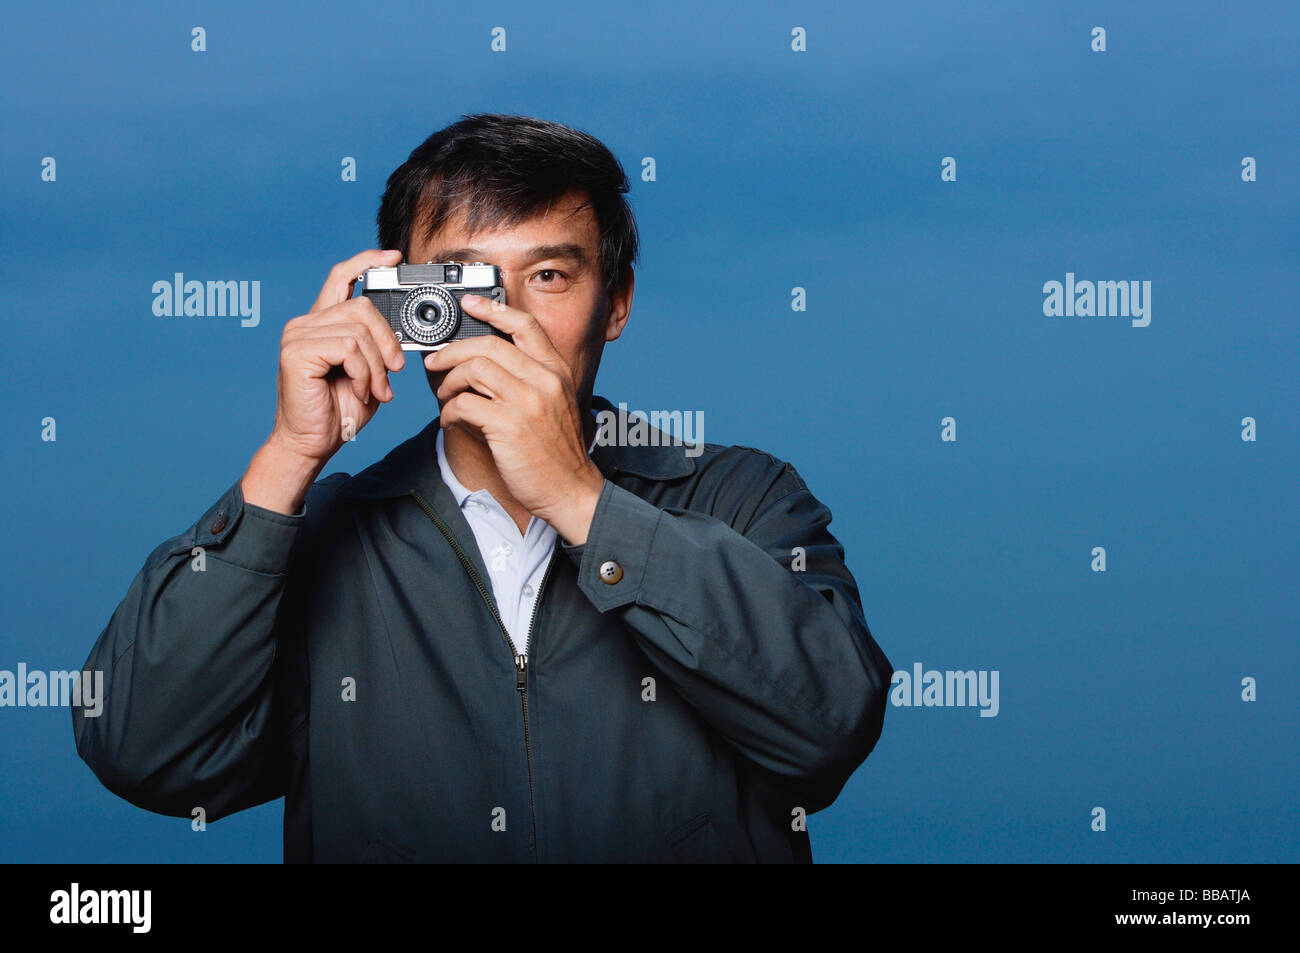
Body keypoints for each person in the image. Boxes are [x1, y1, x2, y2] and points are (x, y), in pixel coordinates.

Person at [73, 113, 893, 863]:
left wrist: (581, 500)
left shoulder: (746, 498)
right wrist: (288, 456)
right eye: (462, 279)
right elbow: (141, 748)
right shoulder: (322, 540)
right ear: (399, 306)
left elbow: (830, 726)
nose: (507, 319)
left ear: (615, 304)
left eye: (549, 276)